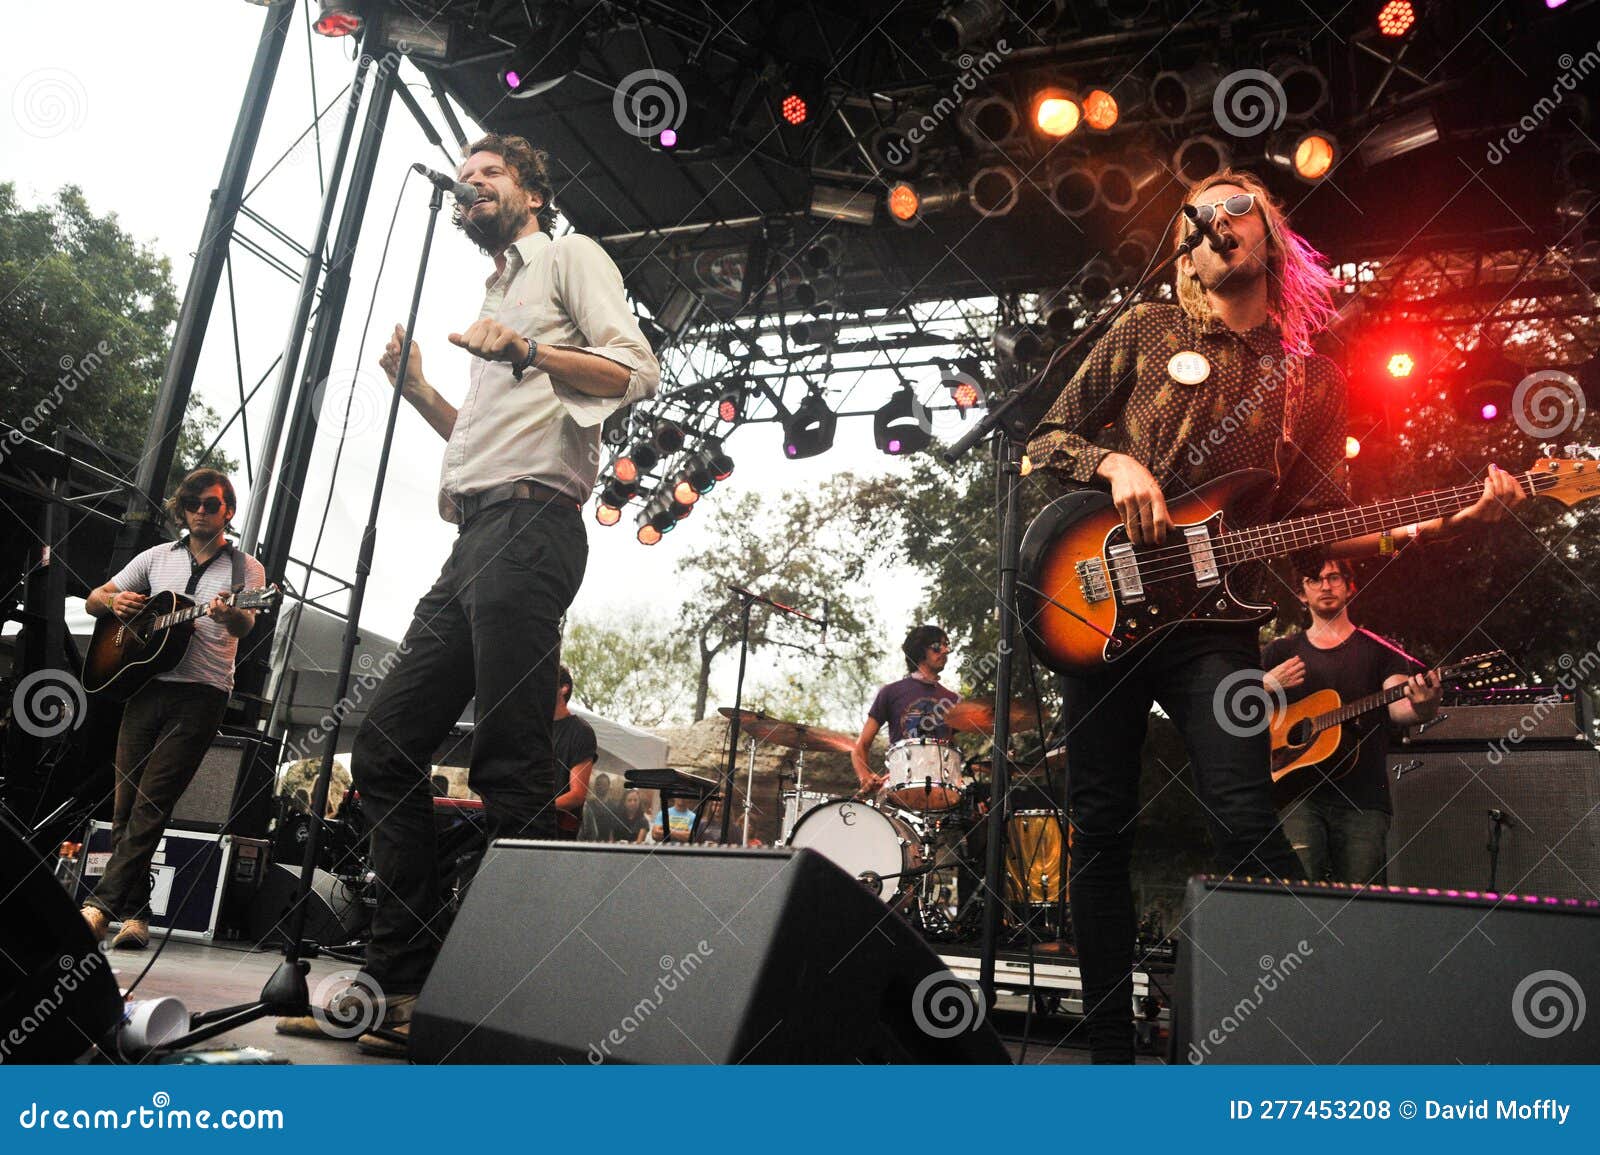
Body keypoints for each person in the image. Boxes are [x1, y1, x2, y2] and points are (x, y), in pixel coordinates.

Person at [1024, 169, 1520, 1062]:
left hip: (1215, 626)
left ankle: (1319, 1013)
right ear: (1188, 243)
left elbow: (1322, 530)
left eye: (1234, 206)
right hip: (1102, 612)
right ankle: (1107, 1055)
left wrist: (1453, 513)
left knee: (1245, 809)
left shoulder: (1311, 382)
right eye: (1200, 213)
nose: (1216, 221)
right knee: (1101, 828)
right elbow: (1044, 442)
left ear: (1270, 236)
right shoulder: (1145, 328)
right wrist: (1113, 466)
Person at [281, 133, 659, 1056]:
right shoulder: (493, 295)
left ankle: (513, 1000)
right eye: (463, 179)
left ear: (533, 189)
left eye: (489, 173)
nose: (470, 185)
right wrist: (418, 391)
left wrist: (528, 346)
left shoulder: (567, 258)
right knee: (387, 744)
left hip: (532, 531)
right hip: (480, 535)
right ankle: (402, 980)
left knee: (511, 766)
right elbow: (488, 440)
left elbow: (636, 371)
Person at [80, 469, 265, 949]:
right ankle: (137, 916)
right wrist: (114, 602)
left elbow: (247, 625)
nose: (201, 511)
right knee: (124, 806)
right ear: (182, 510)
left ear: (228, 510)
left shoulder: (247, 571)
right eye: (193, 504)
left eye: (212, 503)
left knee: (153, 802)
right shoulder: (154, 558)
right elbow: (92, 600)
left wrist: (232, 614)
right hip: (145, 688)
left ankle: (97, 909)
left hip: (201, 694)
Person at [1262, 556, 1441, 884]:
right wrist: (1267, 683)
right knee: (1300, 898)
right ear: (1301, 593)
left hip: (1363, 799)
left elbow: (1400, 709)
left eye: (1334, 578)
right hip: (1295, 796)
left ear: (1350, 587)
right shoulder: (1280, 652)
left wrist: (1425, 707)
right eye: (1314, 580)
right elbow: (1239, 713)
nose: (1325, 586)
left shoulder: (1381, 651)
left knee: (1361, 906)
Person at [851, 624, 960, 794]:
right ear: (919, 651)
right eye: (938, 646)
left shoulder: (952, 699)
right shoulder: (891, 692)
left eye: (947, 645)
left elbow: (952, 751)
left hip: (942, 793)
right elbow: (861, 746)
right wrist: (865, 776)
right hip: (901, 790)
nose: (945, 651)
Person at [550, 665, 599, 839]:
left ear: (563, 688)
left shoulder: (580, 731)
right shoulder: (535, 728)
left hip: (558, 831)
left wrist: (537, 810)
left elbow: (577, 794)